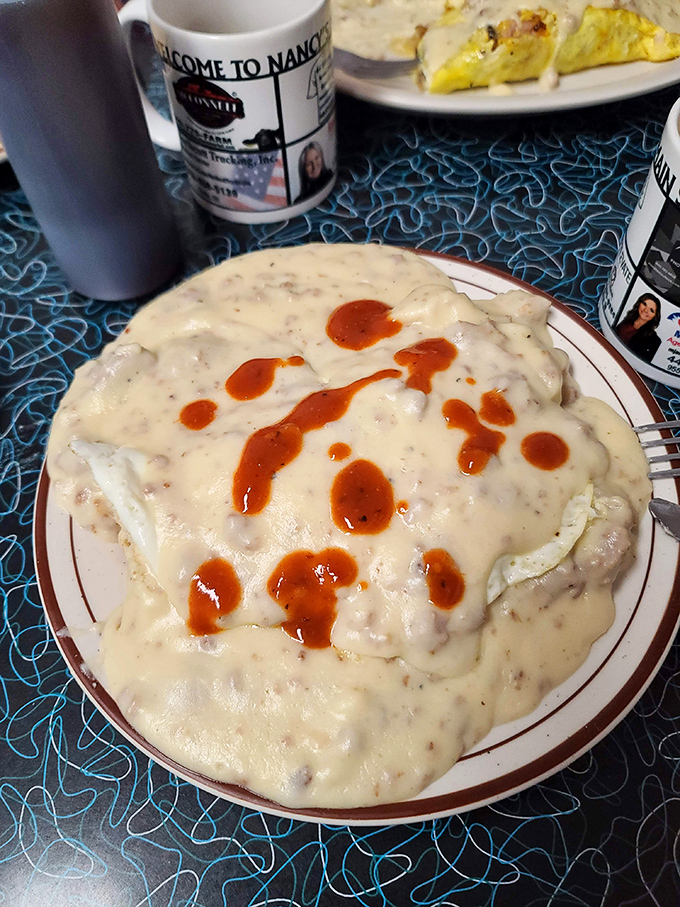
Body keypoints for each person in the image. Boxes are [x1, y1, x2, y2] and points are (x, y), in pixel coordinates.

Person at [615, 292, 662, 363]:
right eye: (644, 304)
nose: (646, 310)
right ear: (639, 304)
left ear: (655, 316)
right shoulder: (627, 320)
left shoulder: (654, 340)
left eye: (651, 310)